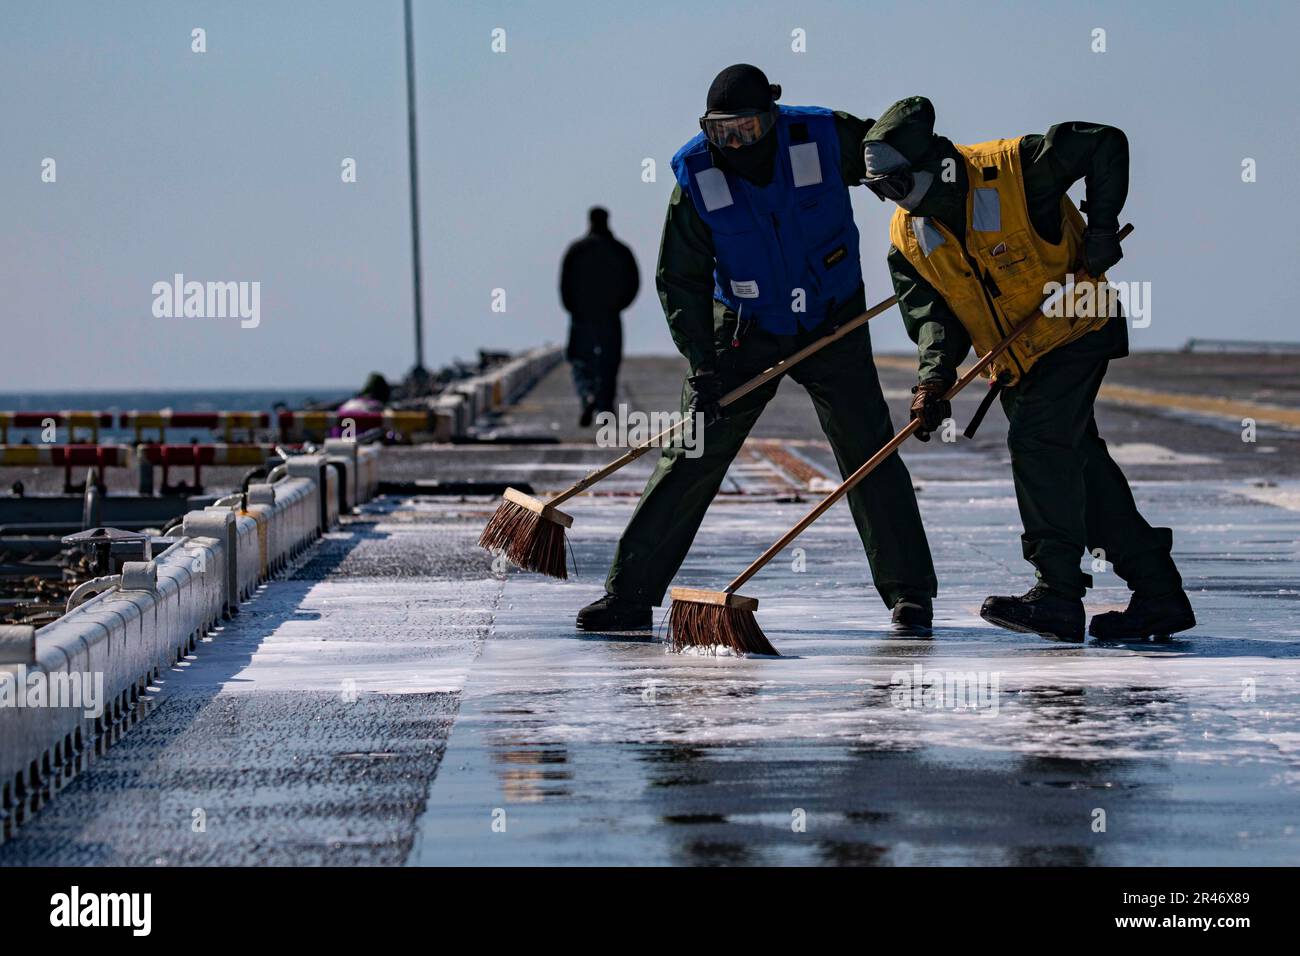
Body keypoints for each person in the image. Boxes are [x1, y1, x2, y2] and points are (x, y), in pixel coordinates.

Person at [575, 64, 937, 636]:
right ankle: (629, 593)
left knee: (869, 448)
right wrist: (702, 367)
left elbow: (893, 157)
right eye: (723, 132)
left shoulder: (820, 137)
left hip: (832, 320)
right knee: (692, 449)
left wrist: (927, 200)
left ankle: (909, 595)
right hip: (746, 329)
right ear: (707, 130)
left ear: (772, 115)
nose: (736, 143)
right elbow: (681, 280)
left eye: (747, 128)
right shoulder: (697, 177)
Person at [863, 95, 1194, 642]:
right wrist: (934, 380)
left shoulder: (1014, 169)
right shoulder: (907, 238)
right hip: (1019, 361)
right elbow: (933, 319)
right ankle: (1159, 594)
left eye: (894, 186)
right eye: (878, 192)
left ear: (928, 163)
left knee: (1039, 445)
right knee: (1081, 471)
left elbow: (1105, 141)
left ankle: (1057, 594)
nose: (890, 202)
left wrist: (1102, 228)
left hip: (1075, 325)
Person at [560, 207, 640, 425]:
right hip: (610, 315)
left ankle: (588, 396)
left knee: (580, 359)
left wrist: (573, 308)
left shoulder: (576, 250)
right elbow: (634, 282)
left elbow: (565, 283)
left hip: (582, 316)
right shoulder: (620, 250)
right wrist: (619, 305)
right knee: (609, 361)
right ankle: (605, 407)